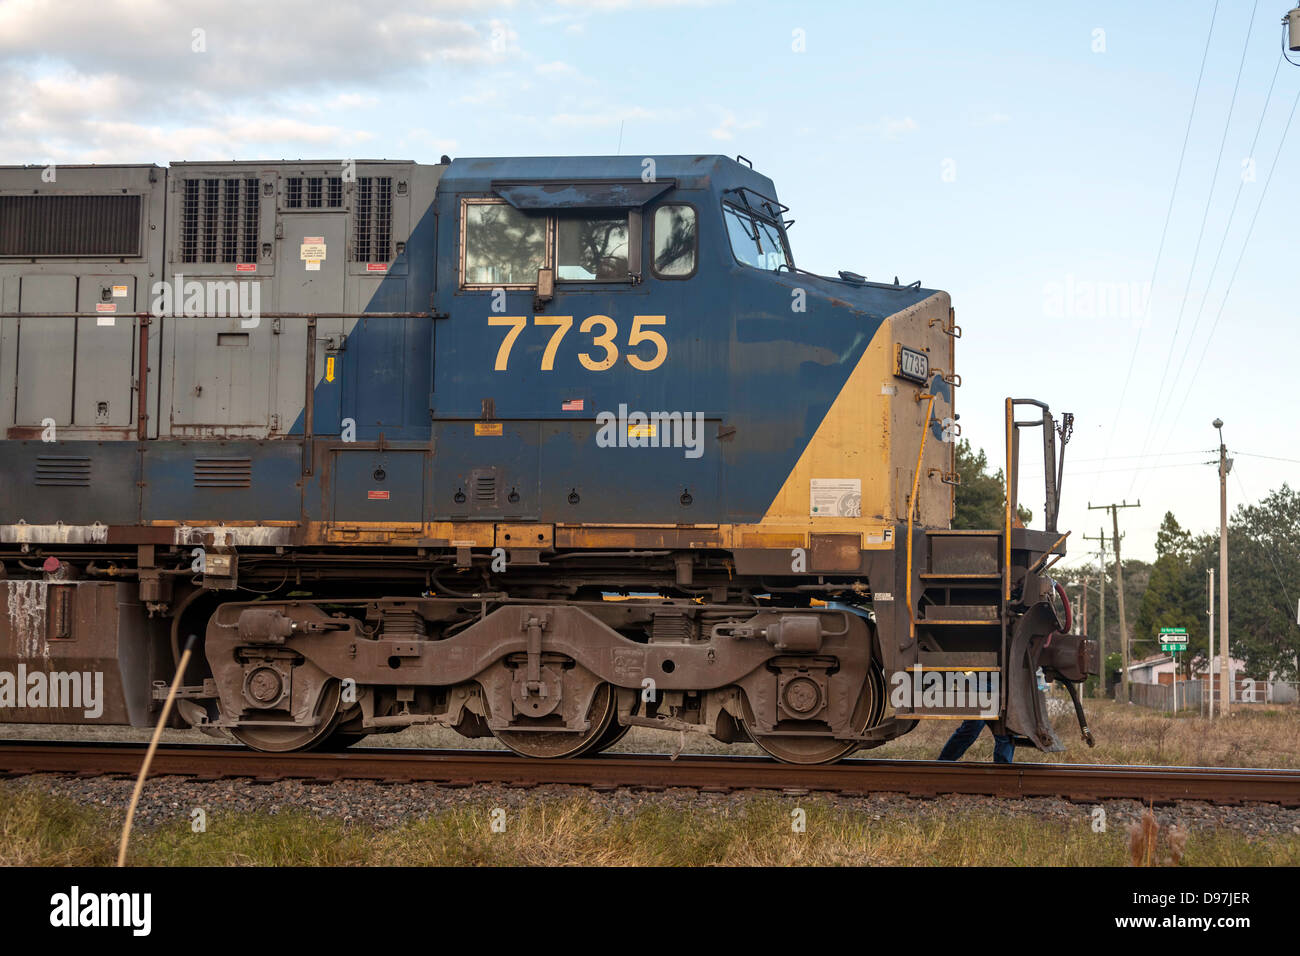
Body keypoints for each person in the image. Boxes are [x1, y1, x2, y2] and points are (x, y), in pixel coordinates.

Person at [937, 719, 1014, 764]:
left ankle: (1001, 777)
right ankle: (941, 766)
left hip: (1002, 695)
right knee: (969, 731)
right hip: (980, 694)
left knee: (1004, 735)